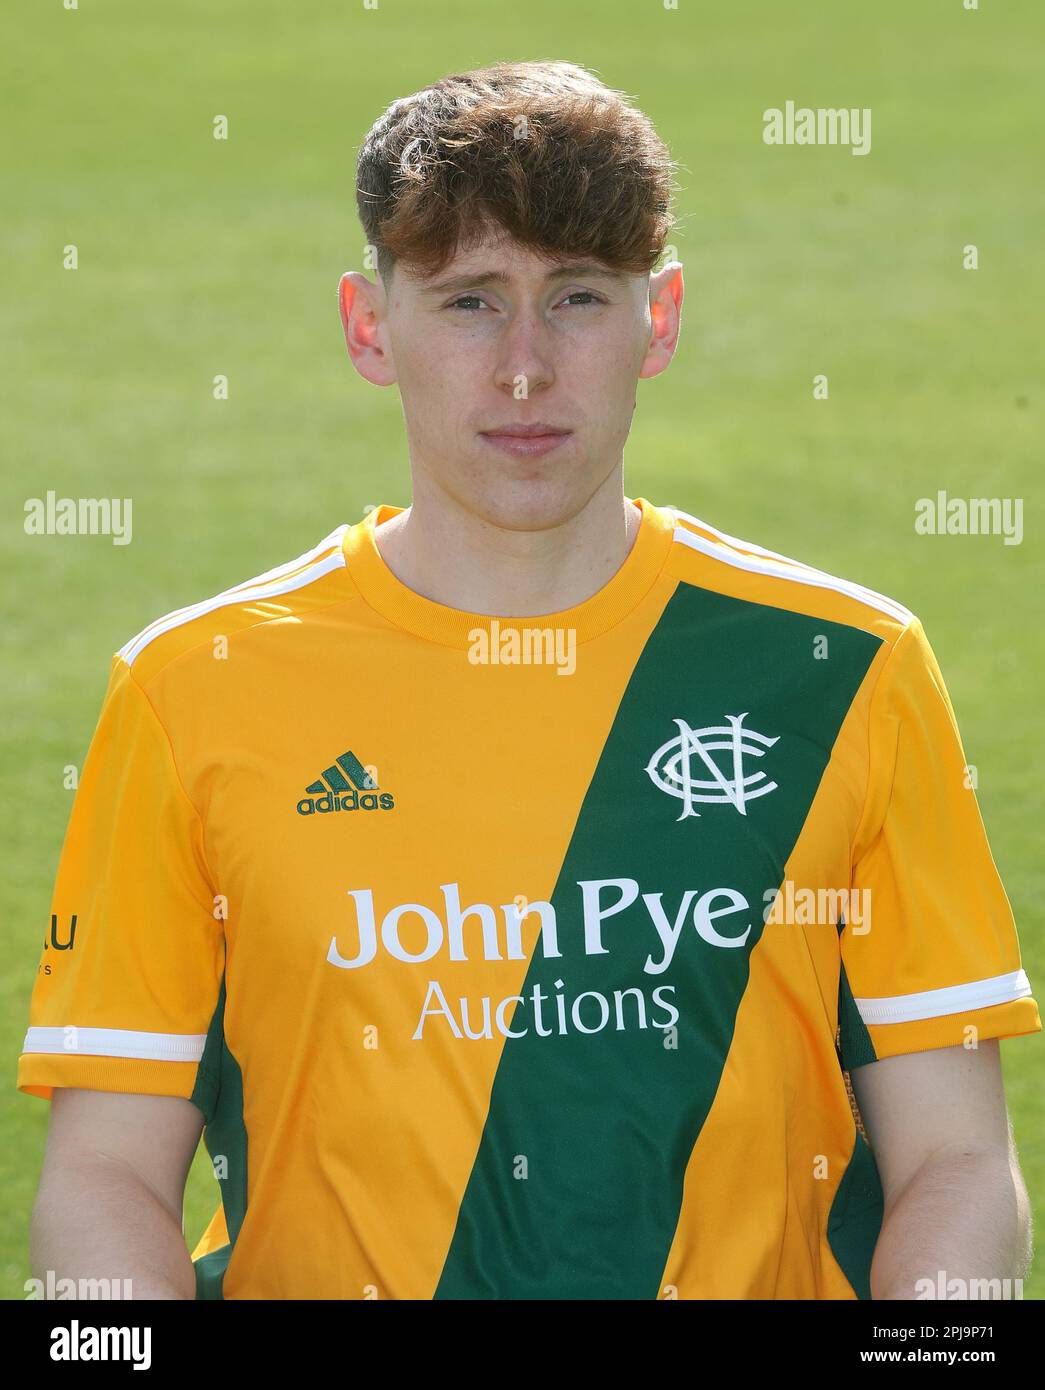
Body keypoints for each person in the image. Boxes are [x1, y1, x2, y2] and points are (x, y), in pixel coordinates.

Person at [19, 60, 1040, 1301]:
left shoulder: (842, 667)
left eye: (576, 300)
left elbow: (957, 1161)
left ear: (657, 320)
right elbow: (105, 1180)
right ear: (366, 326)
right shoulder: (194, 687)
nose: (522, 368)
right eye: (466, 303)